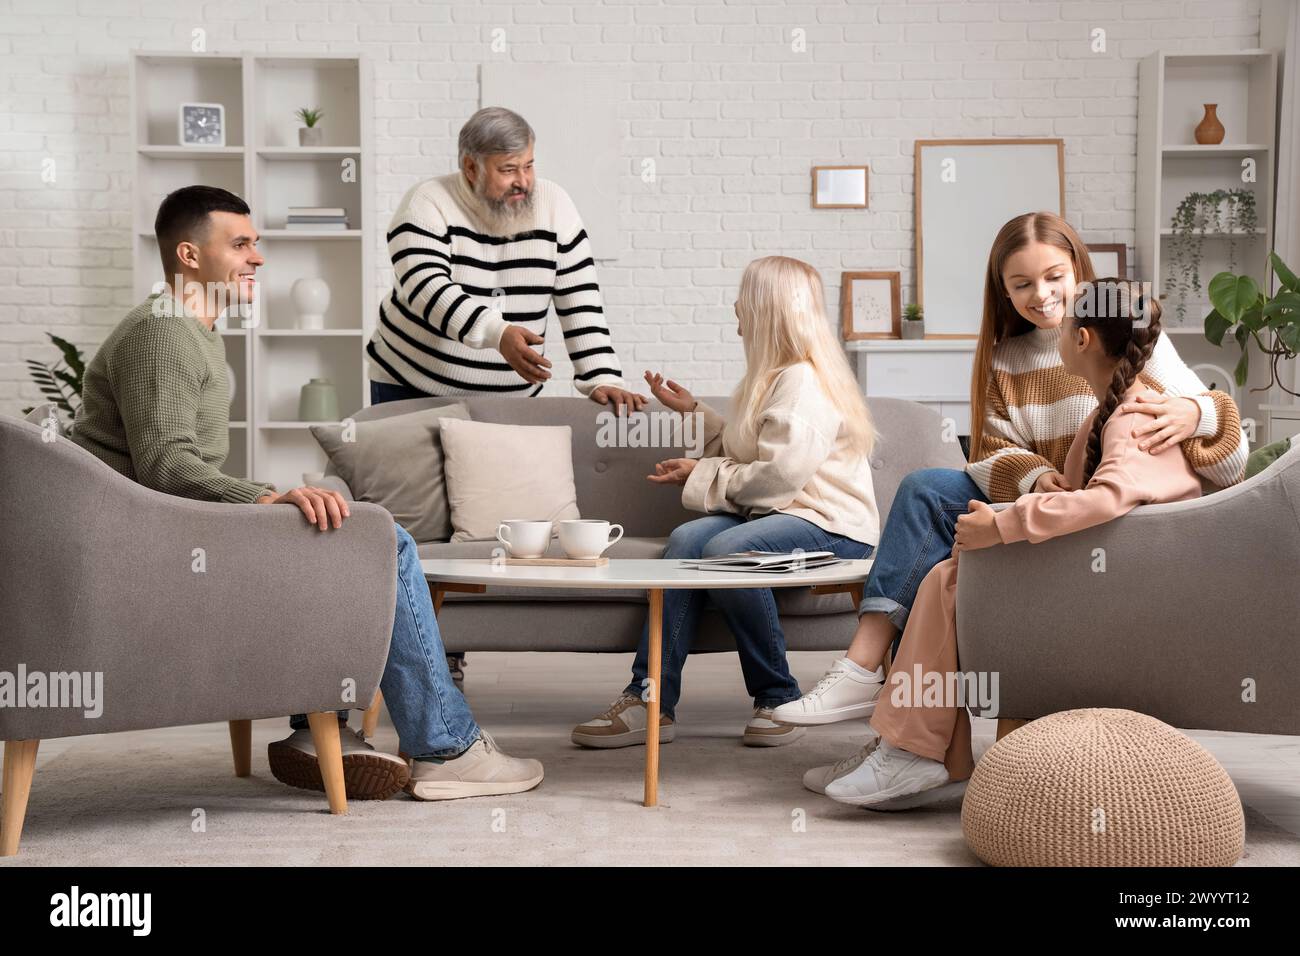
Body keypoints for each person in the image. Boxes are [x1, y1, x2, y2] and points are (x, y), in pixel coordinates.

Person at [70, 185, 544, 802]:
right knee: (381, 542)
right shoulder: (163, 334)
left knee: (345, 540)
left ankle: (317, 727)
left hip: (159, 533)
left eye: (256, 244)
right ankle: (446, 747)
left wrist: (263, 504)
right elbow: (165, 465)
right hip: (146, 549)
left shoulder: (191, 330)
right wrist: (264, 499)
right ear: (188, 255)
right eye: (240, 244)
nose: (258, 258)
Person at [773, 213, 1247, 789]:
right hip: (1055, 502)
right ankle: (871, 684)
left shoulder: (1132, 347)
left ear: (1079, 277)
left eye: (1054, 278)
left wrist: (1198, 412)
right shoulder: (1006, 359)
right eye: (1021, 285)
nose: (1042, 296)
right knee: (928, 506)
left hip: (1099, 534)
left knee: (945, 575)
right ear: (1002, 291)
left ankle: (908, 744)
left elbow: (1221, 463)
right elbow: (992, 452)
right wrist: (1033, 482)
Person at [821, 282, 1206, 807]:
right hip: (1109, 571)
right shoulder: (1107, 416)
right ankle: (921, 752)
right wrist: (997, 519)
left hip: (1127, 587)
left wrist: (1002, 527)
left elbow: (1107, 500)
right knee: (948, 571)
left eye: (1067, 322)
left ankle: (915, 751)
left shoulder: (1133, 420)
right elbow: (1082, 497)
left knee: (947, 579)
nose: (1055, 328)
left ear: (1084, 339)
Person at [570, 256, 880, 748]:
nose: (735, 306)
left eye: (743, 297)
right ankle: (650, 698)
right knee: (688, 537)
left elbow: (777, 478)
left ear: (764, 310)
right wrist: (694, 413)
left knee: (724, 550)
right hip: (785, 516)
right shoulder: (776, 376)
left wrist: (702, 472)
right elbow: (754, 453)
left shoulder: (802, 381)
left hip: (832, 527)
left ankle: (778, 696)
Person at [366, 105, 646, 412]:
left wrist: (602, 377)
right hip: (411, 387)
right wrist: (498, 334)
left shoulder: (556, 206)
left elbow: (581, 300)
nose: (523, 181)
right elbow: (427, 290)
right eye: (509, 169)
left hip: (512, 402)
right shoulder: (425, 203)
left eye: (529, 166)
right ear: (471, 168)